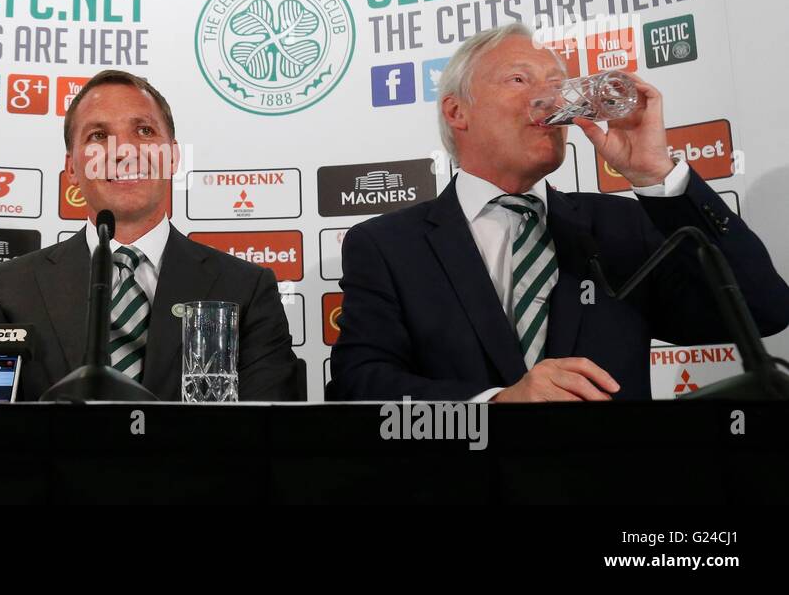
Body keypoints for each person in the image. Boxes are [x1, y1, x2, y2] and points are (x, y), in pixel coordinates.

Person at [327, 23, 789, 402]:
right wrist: (496, 403)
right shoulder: (388, 245)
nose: (551, 101)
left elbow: (763, 310)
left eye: (557, 85)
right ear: (457, 112)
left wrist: (656, 174)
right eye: (519, 80)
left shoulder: (621, 226)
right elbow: (357, 386)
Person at [0, 69, 299, 401]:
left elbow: (262, 441)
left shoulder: (246, 289)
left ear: (173, 157)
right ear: (72, 168)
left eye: (144, 131)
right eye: (98, 136)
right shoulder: (8, 288)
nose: (124, 152)